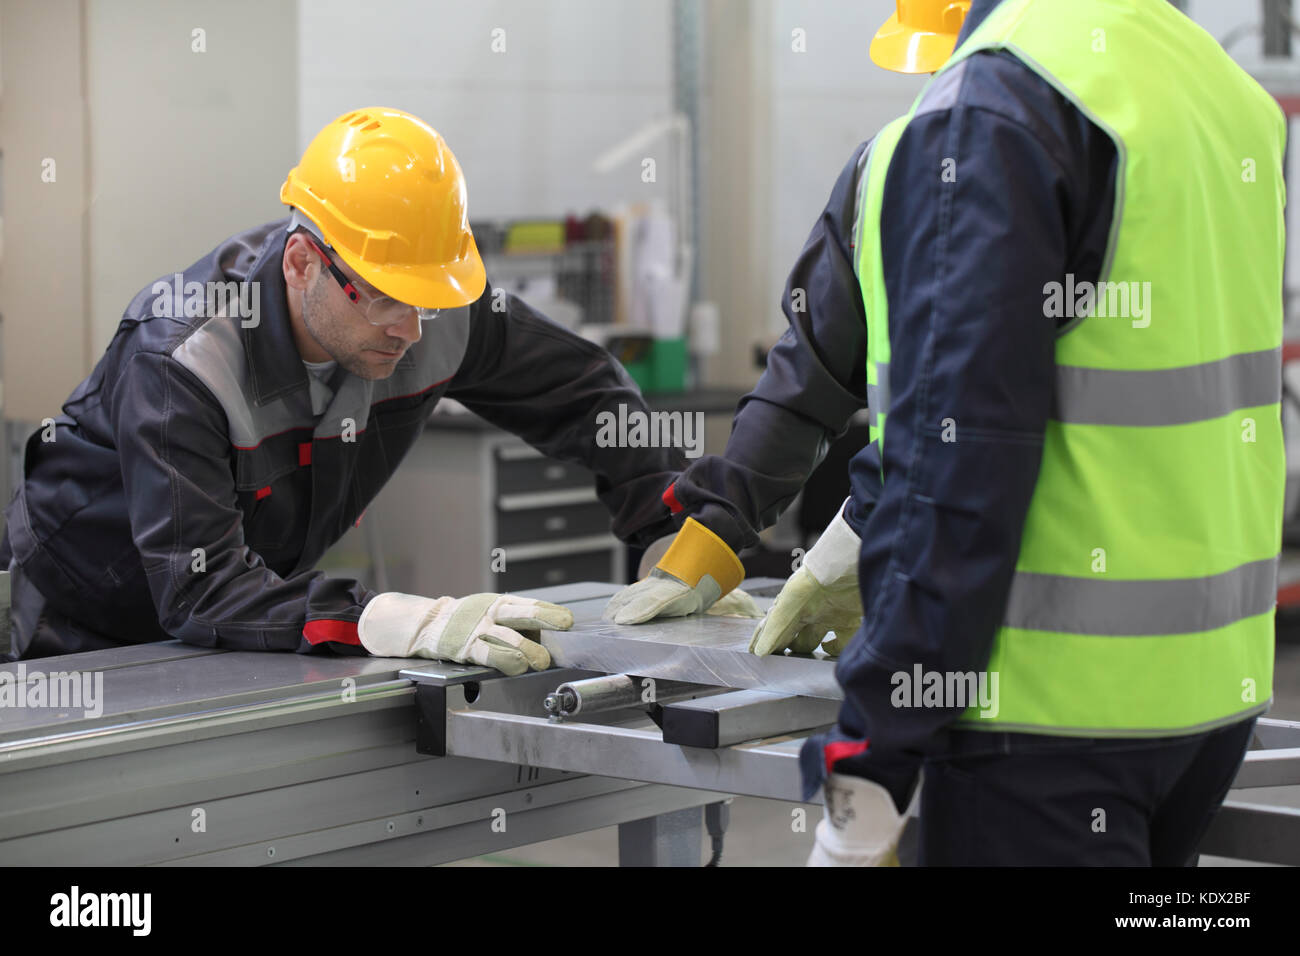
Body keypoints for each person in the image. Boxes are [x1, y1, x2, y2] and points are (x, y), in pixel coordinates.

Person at [611, 0, 1286, 867]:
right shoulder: (1218, 90)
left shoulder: (992, 116)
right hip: (1210, 700)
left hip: (1045, 718)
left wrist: (868, 772)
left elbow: (958, 469)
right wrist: (728, 527)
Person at [1, 107, 685, 672]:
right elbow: (200, 584)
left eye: (428, 299)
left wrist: (671, 532)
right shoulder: (184, 358)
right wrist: (391, 618)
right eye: (387, 299)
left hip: (236, 617)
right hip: (78, 621)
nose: (413, 331)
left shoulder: (432, 316)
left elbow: (589, 391)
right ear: (302, 264)